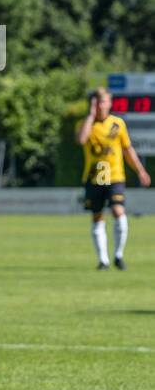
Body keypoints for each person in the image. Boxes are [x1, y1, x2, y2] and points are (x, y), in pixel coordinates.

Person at [76, 88, 150, 270]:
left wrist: (140, 170)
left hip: (115, 176)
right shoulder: (86, 124)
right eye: (97, 102)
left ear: (109, 103)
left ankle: (118, 255)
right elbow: (81, 140)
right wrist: (90, 116)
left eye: (103, 102)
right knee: (97, 216)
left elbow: (127, 149)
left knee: (118, 211)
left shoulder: (118, 124)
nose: (101, 106)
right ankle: (103, 260)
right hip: (94, 177)